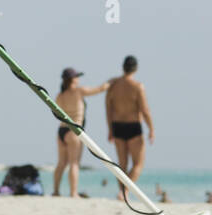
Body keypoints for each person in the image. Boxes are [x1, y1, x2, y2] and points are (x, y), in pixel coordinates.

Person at [52, 68, 109, 198]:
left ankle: (56, 190)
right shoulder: (79, 91)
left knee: (61, 163)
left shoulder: (60, 95)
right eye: (77, 77)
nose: (78, 79)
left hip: (61, 130)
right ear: (73, 79)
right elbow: (99, 89)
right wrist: (110, 83)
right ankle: (73, 192)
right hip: (74, 129)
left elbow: (56, 112)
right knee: (74, 163)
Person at [105, 55, 154, 190]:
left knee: (122, 165)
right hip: (133, 127)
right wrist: (151, 129)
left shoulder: (113, 86)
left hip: (117, 125)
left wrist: (110, 129)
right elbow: (145, 110)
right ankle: (125, 192)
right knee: (138, 164)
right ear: (136, 69)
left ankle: (122, 192)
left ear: (123, 67)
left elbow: (108, 109)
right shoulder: (138, 86)